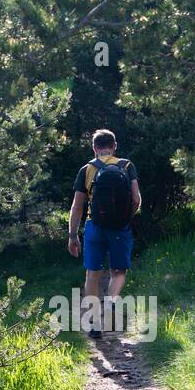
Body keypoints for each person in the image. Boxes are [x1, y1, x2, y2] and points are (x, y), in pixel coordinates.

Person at [67, 129, 141, 339]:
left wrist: (73, 236)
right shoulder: (127, 165)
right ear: (114, 146)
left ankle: (94, 321)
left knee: (93, 273)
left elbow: (77, 206)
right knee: (118, 271)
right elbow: (136, 199)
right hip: (121, 228)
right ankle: (110, 304)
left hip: (94, 227)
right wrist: (126, 218)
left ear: (94, 148)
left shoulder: (87, 169)